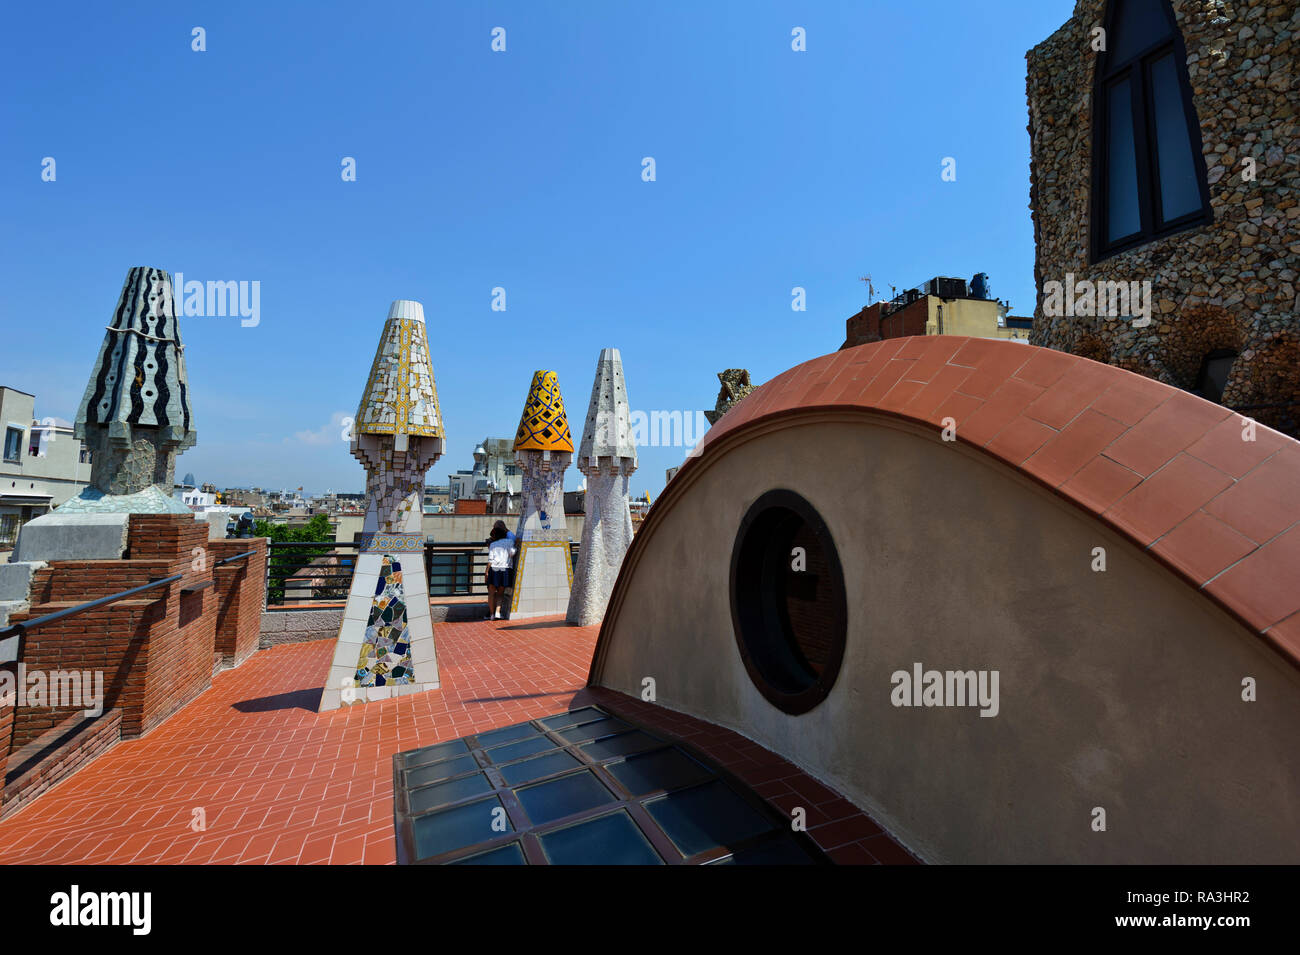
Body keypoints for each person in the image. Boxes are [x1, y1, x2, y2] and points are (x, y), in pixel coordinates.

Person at [485, 521, 516, 620]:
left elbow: (490, 560)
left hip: (494, 570)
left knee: (491, 593)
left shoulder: (493, 545)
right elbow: (512, 554)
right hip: (505, 570)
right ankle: (498, 612)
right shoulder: (510, 542)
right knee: (500, 593)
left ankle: (491, 615)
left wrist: (486, 572)